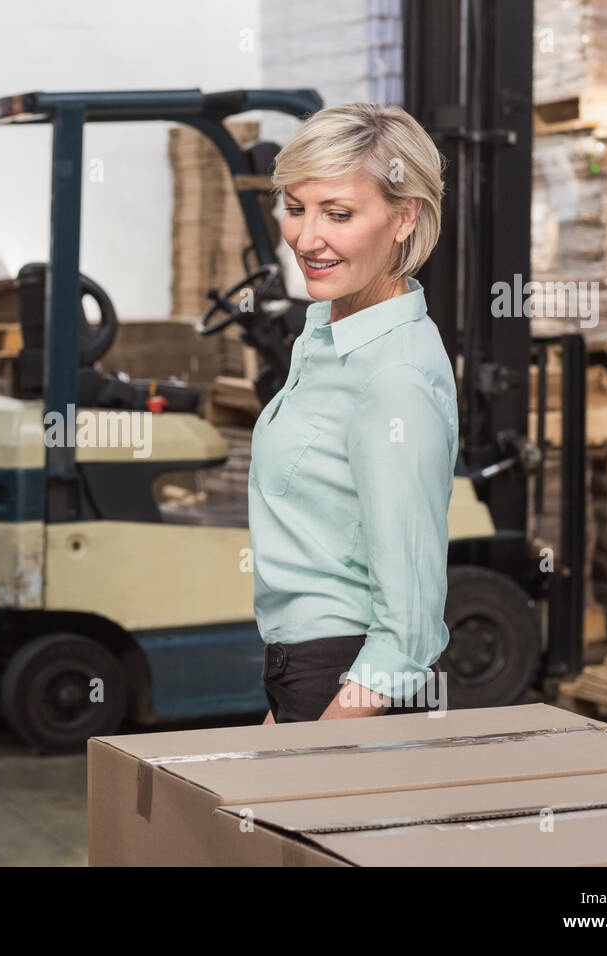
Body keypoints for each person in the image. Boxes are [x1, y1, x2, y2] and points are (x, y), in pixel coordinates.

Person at [250, 102, 456, 723]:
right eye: (295, 208)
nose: (307, 238)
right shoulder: (326, 337)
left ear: (405, 216)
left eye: (338, 214)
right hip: (307, 677)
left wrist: (310, 752)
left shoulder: (393, 379)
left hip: (353, 693)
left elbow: (407, 634)